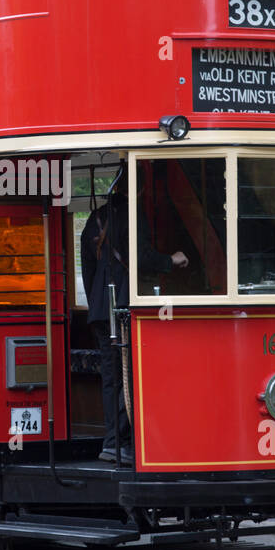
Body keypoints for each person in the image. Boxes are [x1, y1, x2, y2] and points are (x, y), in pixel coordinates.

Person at [80, 171, 188, 465]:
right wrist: (171, 260)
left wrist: (97, 307)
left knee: (111, 376)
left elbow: (88, 269)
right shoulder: (134, 214)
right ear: (140, 190)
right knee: (129, 374)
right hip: (126, 308)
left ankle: (112, 441)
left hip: (102, 310)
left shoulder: (96, 219)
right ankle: (126, 441)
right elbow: (142, 256)